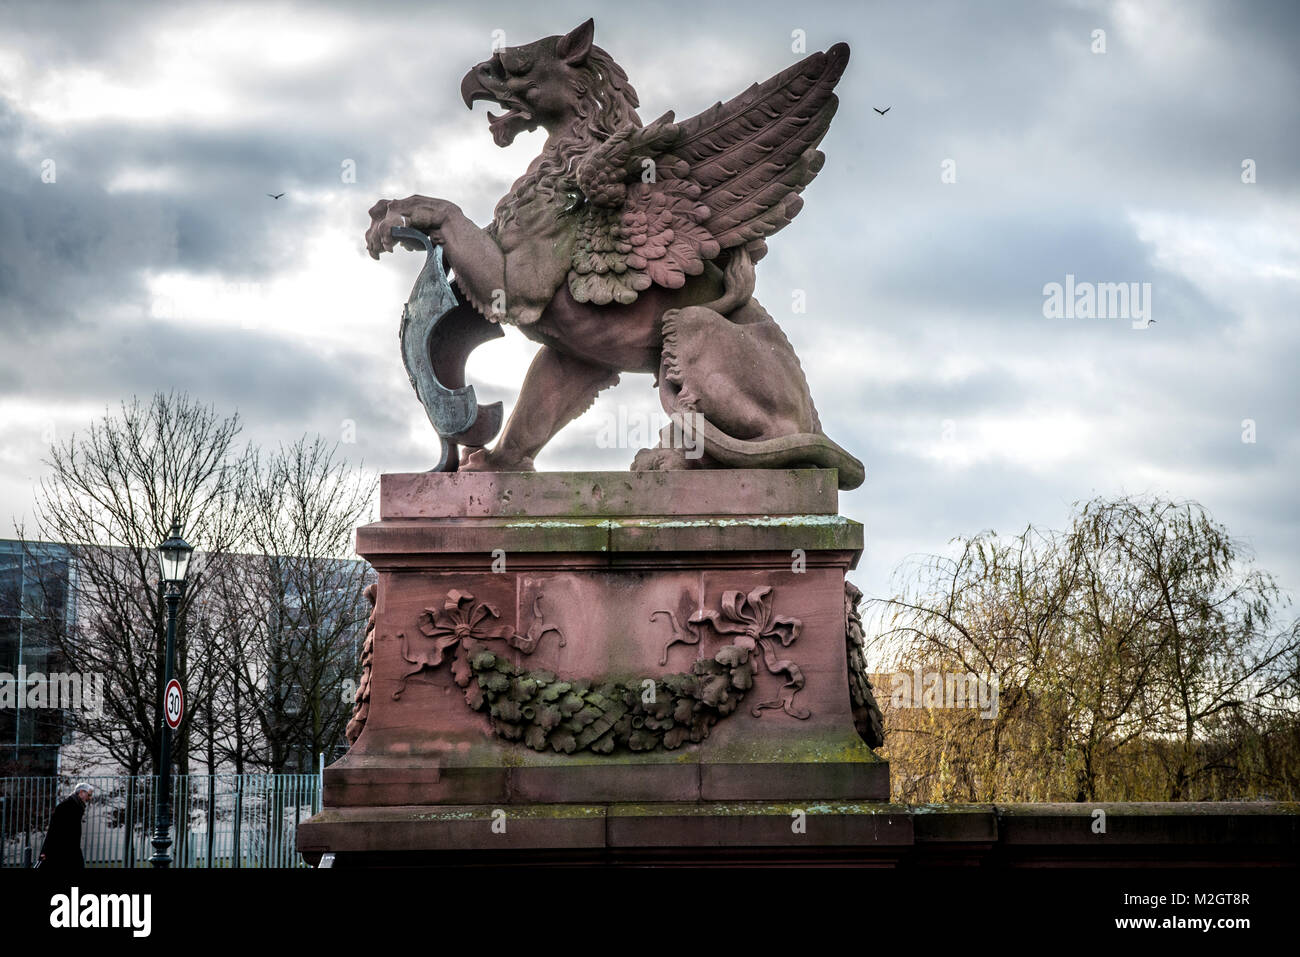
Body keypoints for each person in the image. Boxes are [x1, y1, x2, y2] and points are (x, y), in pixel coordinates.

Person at [38, 783, 93, 870]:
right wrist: (45, 850)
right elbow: (53, 829)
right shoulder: (67, 806)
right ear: (81, 792)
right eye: (89, 795)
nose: (90, 798)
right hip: (63, 849)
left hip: (68, 848)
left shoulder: (75, 806)